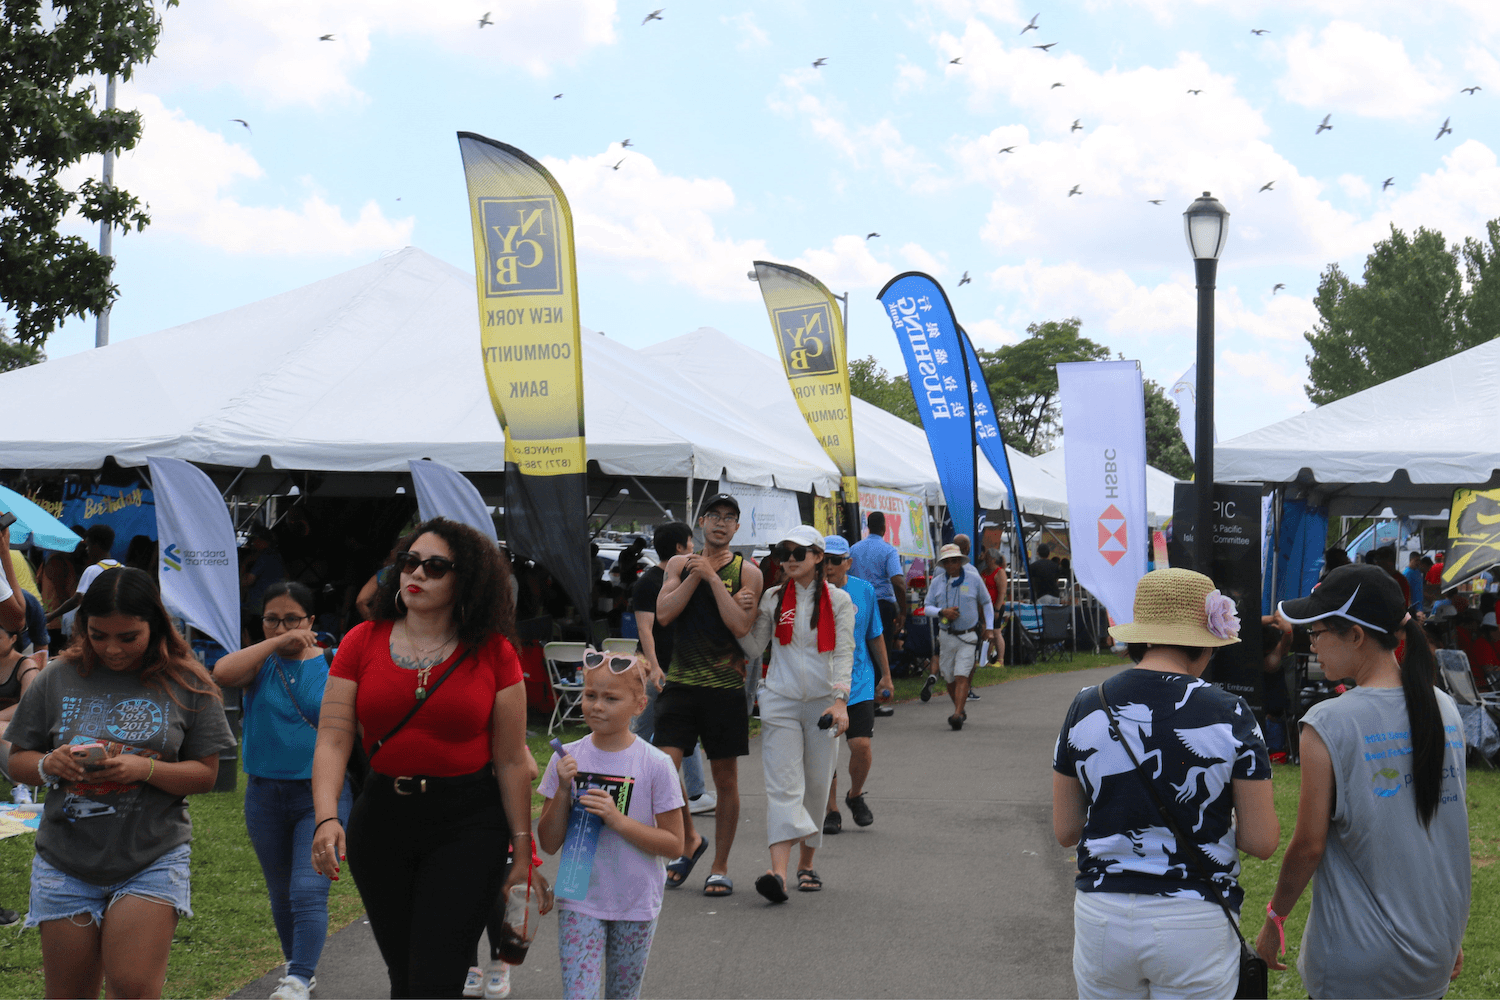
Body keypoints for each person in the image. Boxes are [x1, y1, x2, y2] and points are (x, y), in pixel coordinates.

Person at [309, 518, 536, 998]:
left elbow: (513, 760)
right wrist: (327, 817)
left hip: (468, 823)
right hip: (382, 820)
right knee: (404, 978)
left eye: (435, 567)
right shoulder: (361, 641)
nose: (416, 573)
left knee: (436, 979)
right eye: (409, 562)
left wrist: (522, 852)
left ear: (466, 580)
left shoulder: (494, 652)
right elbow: (333, 738)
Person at [6, 567, 236, 999]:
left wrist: (144, 769)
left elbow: (207, 775)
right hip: (65, 861)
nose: (112, 649)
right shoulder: (57, 676)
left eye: (128, 637)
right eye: (98, 635)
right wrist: (51, 764)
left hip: (151, 857)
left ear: (156, 625)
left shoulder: (187, 681)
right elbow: (17, 759)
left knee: (133, 986)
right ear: (82, 627)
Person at [1053, 568, 1280, 999]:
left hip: (1102, 917)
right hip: (1194, 921)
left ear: (1140, 637)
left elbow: (1066, 830)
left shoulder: (1084, 705)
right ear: (1205, 643)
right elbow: (1262, 840)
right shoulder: (1230, 712)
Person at [1255, 564, 1469, 998]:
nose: (1312, 645)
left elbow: (1308, 846)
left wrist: (1275, 919)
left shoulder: (1328, 723)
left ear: (1355, 635)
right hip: (1434, 953)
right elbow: (1438, 837)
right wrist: (1446, 931)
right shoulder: (1444, 709)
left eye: (1317, 633)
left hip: (1354, 963)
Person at [213, 581, 353, 1000]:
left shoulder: (331, 663)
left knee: (307, 889)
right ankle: (298, 971)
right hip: (264, 794)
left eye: (292, 619)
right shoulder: (259, 663)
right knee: (281, 892)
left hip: (320, 795)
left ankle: (298, 978)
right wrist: (275, 643)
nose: (282, 627)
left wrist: (293, 641)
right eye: (272, 619)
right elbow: (221, 673)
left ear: (312, 621)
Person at [537, 655, 684, 1000]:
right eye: (590, 695)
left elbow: (674, 844)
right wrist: (563, 790)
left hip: (636, 901)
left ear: (639, 705)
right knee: (579, 995)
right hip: (580, 898)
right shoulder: (565, 758)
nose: (597, 706)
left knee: (623, 994)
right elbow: (549, 842)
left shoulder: (656, 764)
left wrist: (618, 821)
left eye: (611, 698)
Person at [651, 493, 763, 897]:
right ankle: (690, 839)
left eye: (729, 517)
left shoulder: (748, 572)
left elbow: (740, 626)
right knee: (664, 769)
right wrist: (697, 575)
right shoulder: (679, 565)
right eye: (714, 515)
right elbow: (664, 614)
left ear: (737, 527)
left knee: (725, 779)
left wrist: (715, 580)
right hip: (681, 682)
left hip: (725, 687)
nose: (720, 522)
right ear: (701, 522)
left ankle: (720, 866)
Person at [739, 526, 854, 902]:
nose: (789, 559)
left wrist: (840, 700)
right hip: (780, 701)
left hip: (823, 705)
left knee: (817, 787)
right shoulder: (772, 598)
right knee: (783, 787)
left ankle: (807, 863)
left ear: (818, 557)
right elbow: (754, 646)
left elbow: (844, 651)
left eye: (798, 552)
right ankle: (778, 873)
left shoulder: (839, 601)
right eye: (783, 553)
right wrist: (741, 613)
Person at [629, 523, 712, 814]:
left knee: (683, 728)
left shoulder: (688, 579)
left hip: (682, 667)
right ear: (679, 548)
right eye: (690, 542)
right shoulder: (648, 582)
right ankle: (631, 782)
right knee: (644, 729)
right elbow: (645, 629)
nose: (693, 547)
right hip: (657, 669)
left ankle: (697, 792)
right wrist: (653, 667)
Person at [821, 534, 892, 834]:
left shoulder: (864, 591)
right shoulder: (811, 592)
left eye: (835, 560)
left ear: (848, 563)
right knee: (826, 750)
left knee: (860, 745)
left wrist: (886, 675)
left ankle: (854, 795)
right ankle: (831, 810)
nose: (828, 566)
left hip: (859, 679)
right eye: (823, 560)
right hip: (823, 682)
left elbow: (875, 634)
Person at [922, 544, 994, 730]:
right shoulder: (937, 582)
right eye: (947, 562)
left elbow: (987, 603)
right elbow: (927, 607)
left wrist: (990, 628)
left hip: (968, 636)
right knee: (949, 678)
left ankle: (956, 715)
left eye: (954, 561)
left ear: (960, 561)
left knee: (962, 675)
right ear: (943, 564)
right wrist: (942, 612)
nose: (951, 565)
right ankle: (960, 710)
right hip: (946, 636)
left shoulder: (973, 579)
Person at [848, 511, 907, 662]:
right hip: (882, 606)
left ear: (868, 527)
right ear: (883, 528)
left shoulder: (853, 549)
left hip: (857, 604)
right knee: (882, 651)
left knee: (860, 648)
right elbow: (898, 582)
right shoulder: (889, 550)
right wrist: (903, 611)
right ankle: (882, 676)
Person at [44, 524, 119, 631]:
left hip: (95, 625)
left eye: (88, 545)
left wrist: (52, 615)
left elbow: (77, 599)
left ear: (96, 545)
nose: (86, 549)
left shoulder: (92, 570)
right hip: (113, 623)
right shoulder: (122, 569)